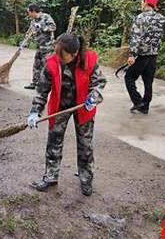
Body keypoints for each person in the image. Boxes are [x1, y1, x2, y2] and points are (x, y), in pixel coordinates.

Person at [27, 33, 107, 196]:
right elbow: (42, 90)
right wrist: (35, 111)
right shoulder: (51, 63)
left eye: (62, 56)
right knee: (54, 142)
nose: (58, 58)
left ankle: (86, 179)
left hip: (84, 106)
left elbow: (99, 83)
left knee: (85, 145)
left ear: (74, 54)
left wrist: (93, 97)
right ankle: (50, 176)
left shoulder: (90, 61)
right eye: (57, 53)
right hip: (60, 106)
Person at [125, 0, 165, 114]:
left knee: (129, 78)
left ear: (146, 3)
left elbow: (135, 38)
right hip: (153, 56)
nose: (141, 3)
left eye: (142, 1)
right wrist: (158, 36)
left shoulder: (140, 18)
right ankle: (145, 106)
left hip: (141, 56)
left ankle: (138, 101)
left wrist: (132, 55)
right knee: (148, 81)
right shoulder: (161, 18)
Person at [20, 4, 57, 90]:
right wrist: (24, 43)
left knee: (46, 67)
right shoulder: (33, 21)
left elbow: (53, 27)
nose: (28, 14)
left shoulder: (46, 17)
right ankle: (35, 83)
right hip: (39, 46)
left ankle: (46, 85)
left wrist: (41, 27)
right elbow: (30, 32)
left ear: (33, 11)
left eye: (29, 12)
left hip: (48, 47)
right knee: (36, 65)